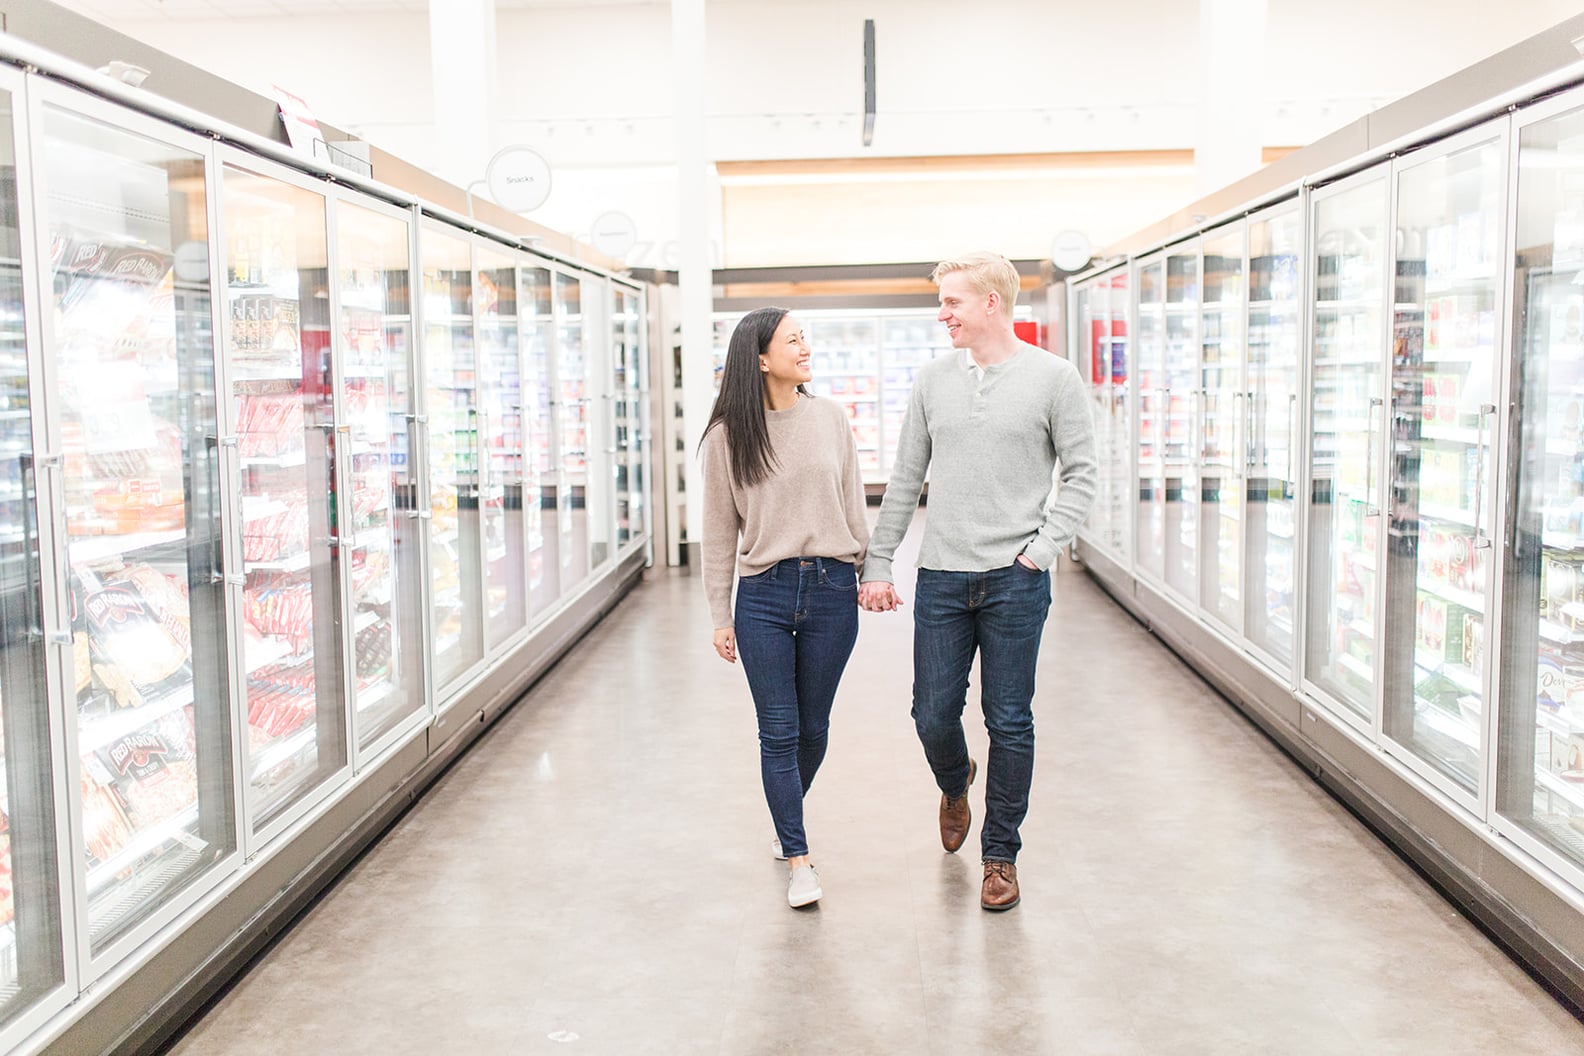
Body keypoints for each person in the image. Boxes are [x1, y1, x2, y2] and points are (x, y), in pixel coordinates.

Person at [858, 252, 1097, 911]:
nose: (942, 314)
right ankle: (955, 779)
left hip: (1016, 580)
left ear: (991, 303)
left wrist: (1044, 548)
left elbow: (1081, 474)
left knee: (1009, 719)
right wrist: (878, 562)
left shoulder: (1055, 379)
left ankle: (1000, 859)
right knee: (932, 712)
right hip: (941, 577)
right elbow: (906, 479)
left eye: (952, 302)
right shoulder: (933, 380)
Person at [701, 306, 869, 909]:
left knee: (813, 729)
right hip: (764, 595)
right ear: (761, 359)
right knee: (778, 731)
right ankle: (799, 857)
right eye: (792, 339)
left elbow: (853, 506)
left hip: (830, 591)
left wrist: (871, 574)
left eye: (804, 337)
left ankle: (784, 814)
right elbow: (719, 532)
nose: (805, 347)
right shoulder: (726, 437)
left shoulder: (830, 418)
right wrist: (720, 614)